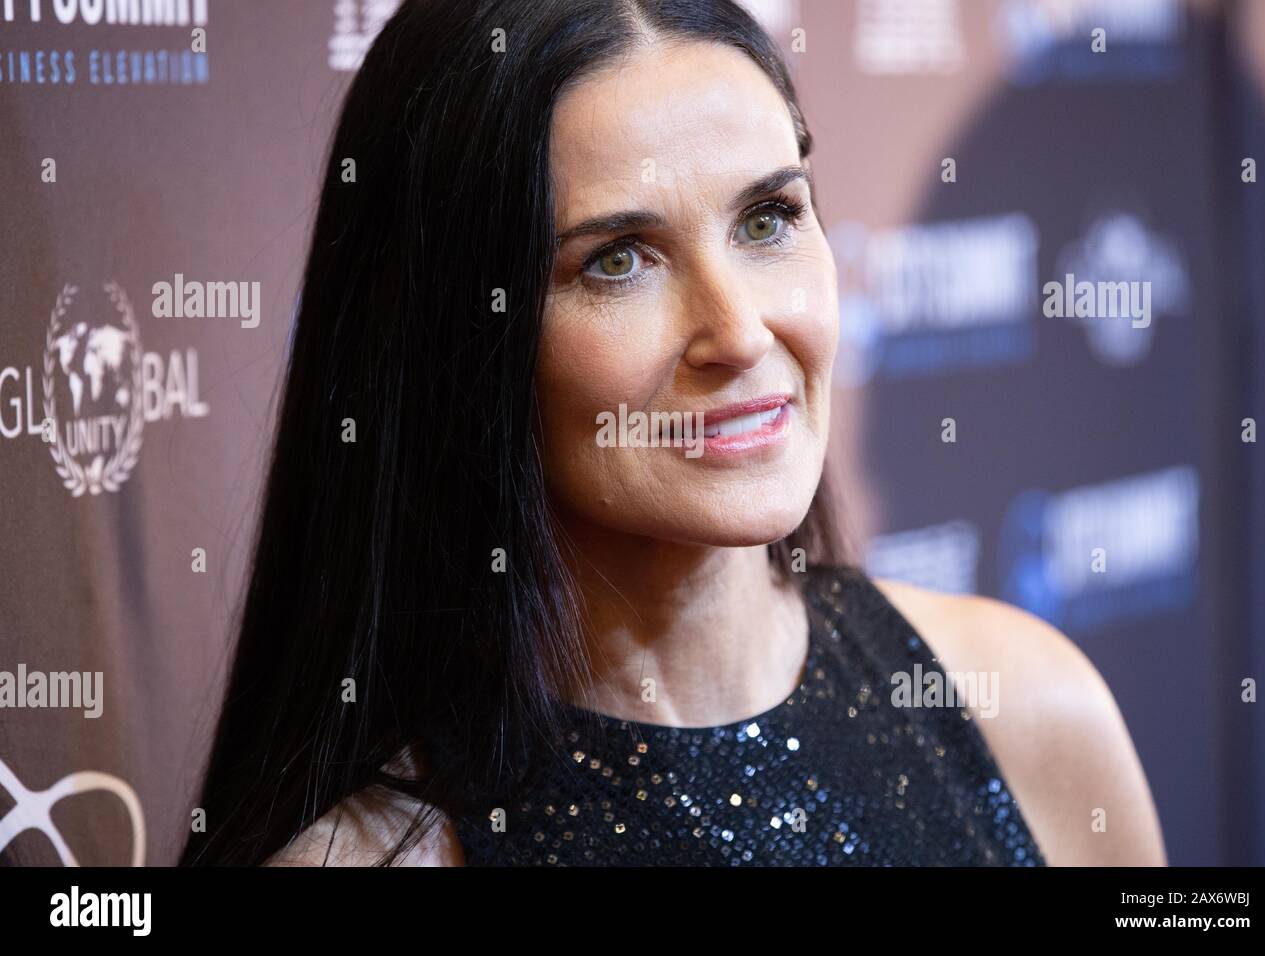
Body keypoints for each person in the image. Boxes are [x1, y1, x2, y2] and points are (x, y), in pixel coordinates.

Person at [179, 0, 1165, 867]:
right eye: (618, 259)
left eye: (768, 218)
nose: (739, 333)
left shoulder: (1025, 707)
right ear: (454, 333)